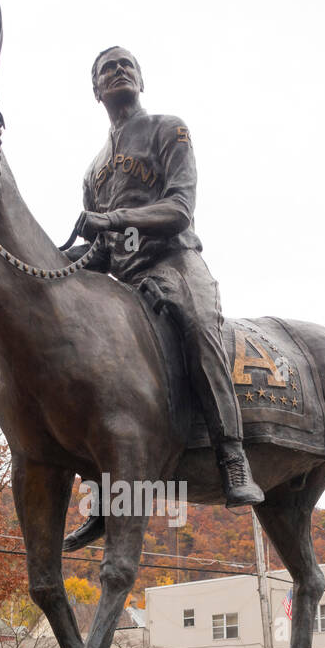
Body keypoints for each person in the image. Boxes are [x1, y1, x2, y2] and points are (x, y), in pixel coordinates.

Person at [73, 46, 264, 509]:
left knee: (198, 330)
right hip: (125, 284)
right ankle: (104, 490)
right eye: (107, 69)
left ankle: (231, 454)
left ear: (140, 80)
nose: (118, 72)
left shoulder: (168, 128)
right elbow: (101, 250)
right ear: (95, 90)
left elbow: (180, 208)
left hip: (174, 262)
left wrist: (114, 218)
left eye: (126, 66)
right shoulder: (93, 171)